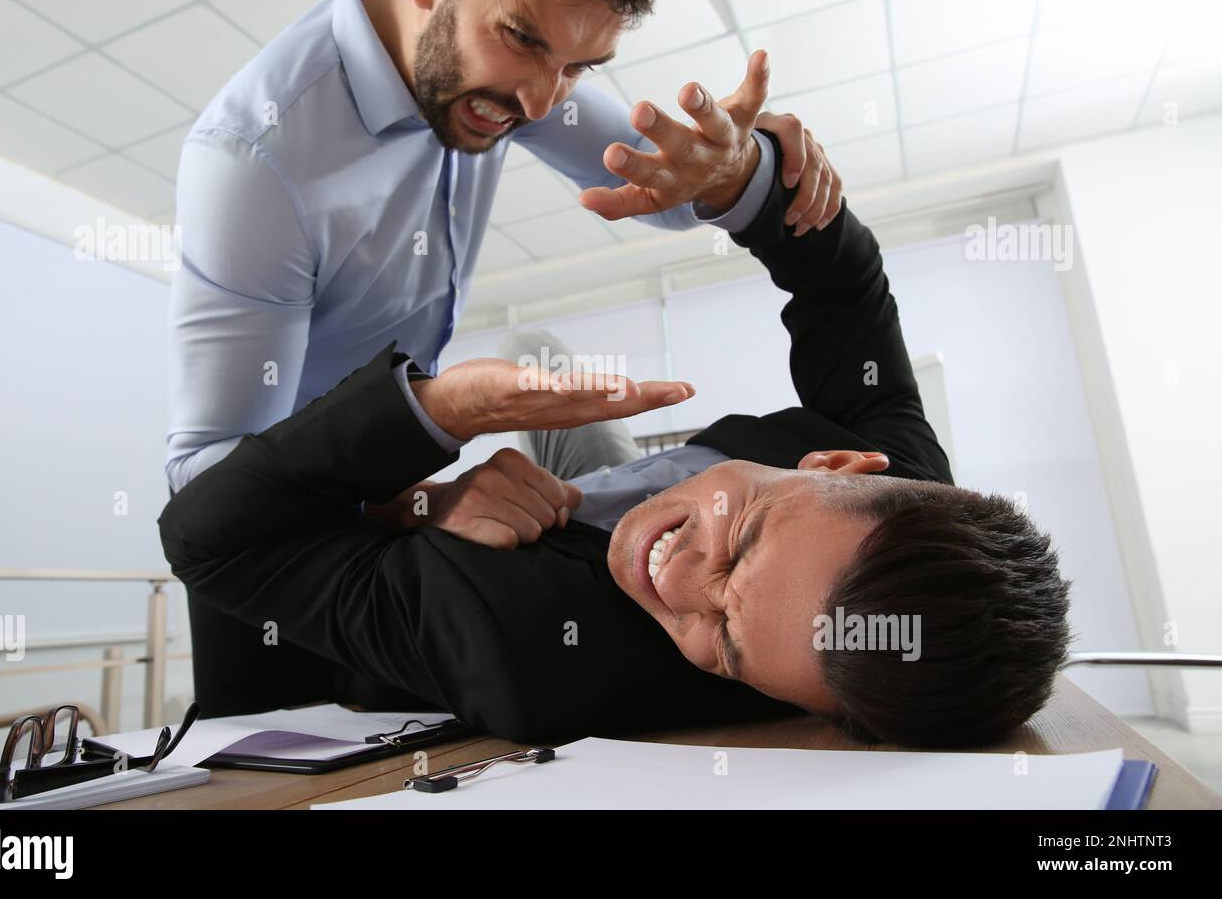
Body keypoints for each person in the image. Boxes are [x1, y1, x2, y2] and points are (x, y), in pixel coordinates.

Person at [157, 131, 1073, 747]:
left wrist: (430, 458)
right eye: (743, 536)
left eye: (724, 640)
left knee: (266, 448)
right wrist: (749, 182)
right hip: (586, 519)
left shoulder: (516, 638)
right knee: (538, 353)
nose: (675, 581)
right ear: (835, 462)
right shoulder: (901, 464)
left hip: (334, 615)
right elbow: (845, 290)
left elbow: (211, 534)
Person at [168, 0, 846, 714]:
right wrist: (413, 498)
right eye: (522, 39)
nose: (540, 100)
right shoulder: (253, 160)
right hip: (270, 552)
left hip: (393, 513)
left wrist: (747, 165)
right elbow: (206, 480)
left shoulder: (513, 67)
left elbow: (656, 182)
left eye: (578, 67)